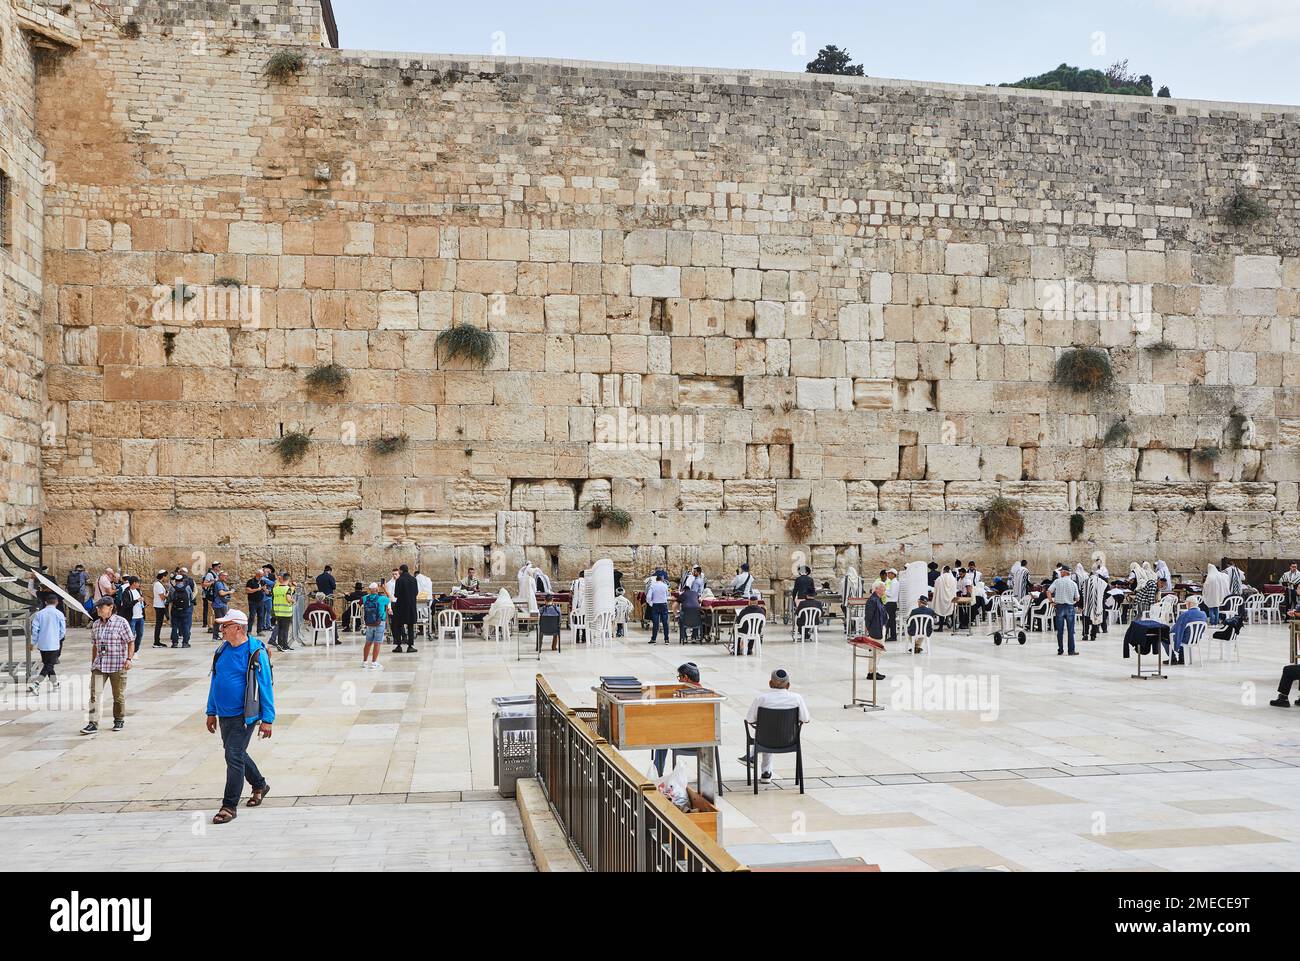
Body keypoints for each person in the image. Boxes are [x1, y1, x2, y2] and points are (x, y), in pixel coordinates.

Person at [205, 609, 273, 825]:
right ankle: (260, 785)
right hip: (224, 713)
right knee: (236, 752)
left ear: (238, 628)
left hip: (245, 715)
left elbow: (265, 687)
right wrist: (211, 711)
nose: (221, 629)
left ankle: (229, 806)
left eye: (225, 626)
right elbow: (215, 681)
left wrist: (268, 719)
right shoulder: (222, 650)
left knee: (233, 755)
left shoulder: (255, 653)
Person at [738, 669, 811, 785]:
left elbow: (750, 719)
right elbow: (805, 719)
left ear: (770, 683)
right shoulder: (796, 698)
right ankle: (765, 771)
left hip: (764, 740)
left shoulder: (761, 699)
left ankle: (756, 761)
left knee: (767, 732)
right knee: (770, 731)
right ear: (788, 685)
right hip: (789, 740)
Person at [82, 596, 133, 735]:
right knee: (94, 695)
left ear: (110, 607)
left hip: (117, 664)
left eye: (101, 607)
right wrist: (93, 663)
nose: (98, 609)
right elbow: (95, 645)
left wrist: (129, 659)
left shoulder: (121, 622)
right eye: (97, 607)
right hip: (100, 665)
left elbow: (130, 641)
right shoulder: (96, 624)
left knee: (118, 695)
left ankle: (118, 719)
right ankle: (92, 723)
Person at [652, 663, 703, 776]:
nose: (679, 680)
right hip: (704, 741)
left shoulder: (685, 695)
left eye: (679, 677)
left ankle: (657, 776)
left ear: (685, 677)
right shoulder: (705, 693)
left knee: (661, 741)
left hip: (689, 741)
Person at [28, 594, 66, 694]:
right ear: (57, 602)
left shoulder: (39, 614)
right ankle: (36, 683)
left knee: (48, 665)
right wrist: (57, 639)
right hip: (54, 644)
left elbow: (35, 630)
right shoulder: (59, 614)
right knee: (49, 665)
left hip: (43, 644)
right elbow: (63, 631)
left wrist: (32, 643)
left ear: (45, 602)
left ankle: (55, 683)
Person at [1048, 568, 1080, 655]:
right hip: (1070, 607)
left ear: (1064, 572)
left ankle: (1060, 650)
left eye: (1061, 572)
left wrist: (1051, 602)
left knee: (1060, 631)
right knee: (1070, 630)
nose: (1060, 573)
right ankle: (1071, 651)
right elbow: (1077, 598)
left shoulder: (1057, 581)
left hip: (1059, 607)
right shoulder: (1073, 583)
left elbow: (1049, 591)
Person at [361, 582, 390, 670]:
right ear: (377, 590)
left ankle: (365, 661)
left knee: (368, 642)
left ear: (369, 590)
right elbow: (390, 598)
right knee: (377, 643)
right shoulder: (381, 598)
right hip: (379, 622)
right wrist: (384, 588)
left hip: (369, 623)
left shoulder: (365, 598)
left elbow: (360, 602)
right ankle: (374, 662)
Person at [862, 582, 888, 679]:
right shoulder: (872, 600)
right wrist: (869, 629)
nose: (884, 590)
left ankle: (874, 671)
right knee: (875, 650)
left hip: (880, 627)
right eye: (883, 588)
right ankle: (872, 672)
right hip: (875, 628)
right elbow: (868, 617)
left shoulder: (878, 599)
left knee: (878, 650)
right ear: (877, 589)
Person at [1172, 597, 1207, 664]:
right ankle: (1181, 658)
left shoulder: (1185, 614)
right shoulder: (1203, 614)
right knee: (1183, 633)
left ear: (1189, 604)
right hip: (1196, 638)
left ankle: (1173, 659)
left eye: (1186, 603)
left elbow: (1176, 629)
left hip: (1186, 639)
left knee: (1167, 637)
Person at [392, 564, 419, 653]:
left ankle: (399, 646)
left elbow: (396, 594)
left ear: (401, 571)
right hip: (411, 606)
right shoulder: (413, 579)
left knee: (399, 625)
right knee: (410, 626)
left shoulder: (399, 580)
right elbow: (416, 592)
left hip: (401, 606)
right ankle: (410, 646)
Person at [271, 571, 295, 652]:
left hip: (278, 612)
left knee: (280, 629)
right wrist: (293, 601)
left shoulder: (275, 589)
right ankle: (284, 645)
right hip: (286, 612)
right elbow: (288, 598)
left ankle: (281, 645)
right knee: (285, 629)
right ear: (288, 579)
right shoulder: (287, 589)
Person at [168, 573, 194, 648]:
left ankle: (174, 643)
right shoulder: (187, 587)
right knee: (186, 625)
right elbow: (191, 597)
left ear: (176, 581)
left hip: (175, 609)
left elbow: (170, 599)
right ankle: (185, 643)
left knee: (175, 626)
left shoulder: (172, 588)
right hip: (186, 610)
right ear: (182, 580)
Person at [120, 575, 145, 653]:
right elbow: (126, 605)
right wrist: (137, 600)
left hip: (140, 616)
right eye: (138, 582)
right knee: (131, 636)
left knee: (140, 634)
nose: (139, 584)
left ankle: (135, 650)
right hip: (132, 617)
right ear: (134, 583)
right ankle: (130, 651)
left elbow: (140, 601)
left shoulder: (138, 591)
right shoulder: (126, 593)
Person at [646, 571, 670, 645]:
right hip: (663, 605)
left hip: (655, 605)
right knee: (665, 623)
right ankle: (666, 639)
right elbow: (667, 595)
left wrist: (651, 603)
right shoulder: (665, 586)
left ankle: (653, 639)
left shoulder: (652, 586)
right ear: (662, 578)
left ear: (656, 578)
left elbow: (649, 596)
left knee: (655, 623)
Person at [209, 568, 232, 639]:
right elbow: (221, 593)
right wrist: (229, 592)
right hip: (219, 604)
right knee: (220, 620)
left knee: (220, 620)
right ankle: (216, 635)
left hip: (222, 604)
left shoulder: (223, 583)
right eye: (225, 576)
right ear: (220, 576)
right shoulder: (219, 583)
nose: (226, 577)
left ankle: (217, 635)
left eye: (227, 576)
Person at [150, 570, 169, 648]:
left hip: (160, 605)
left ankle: (157, 641)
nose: (166, 578)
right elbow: (162, 597)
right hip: (159, 606)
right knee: (158, 624)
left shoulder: (159, 584)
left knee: (159, 624)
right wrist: (168, 595)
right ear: (163, 576)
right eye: (166, 576)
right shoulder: (158, 584)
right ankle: (156, 642)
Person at [883, 569, 900, 643]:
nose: (888, 575)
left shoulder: (895, 583)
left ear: (893, 574)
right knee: (891, 620)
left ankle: (892, 636)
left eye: (889, 573)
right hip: (890, 603)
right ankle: (891, 636)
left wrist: (884, 590)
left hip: (891, 603)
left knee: (890, 620)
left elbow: (891, 594)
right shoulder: (893, 582)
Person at [201, 564, 218, 628]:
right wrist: (213, 582)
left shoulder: (217, 574)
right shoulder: (209, 575)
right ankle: (209, 625)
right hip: (209, 595)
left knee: (212, 611)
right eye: (219, 566)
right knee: (209, 611)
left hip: (214, 595)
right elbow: (204, 584)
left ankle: (212, 625)